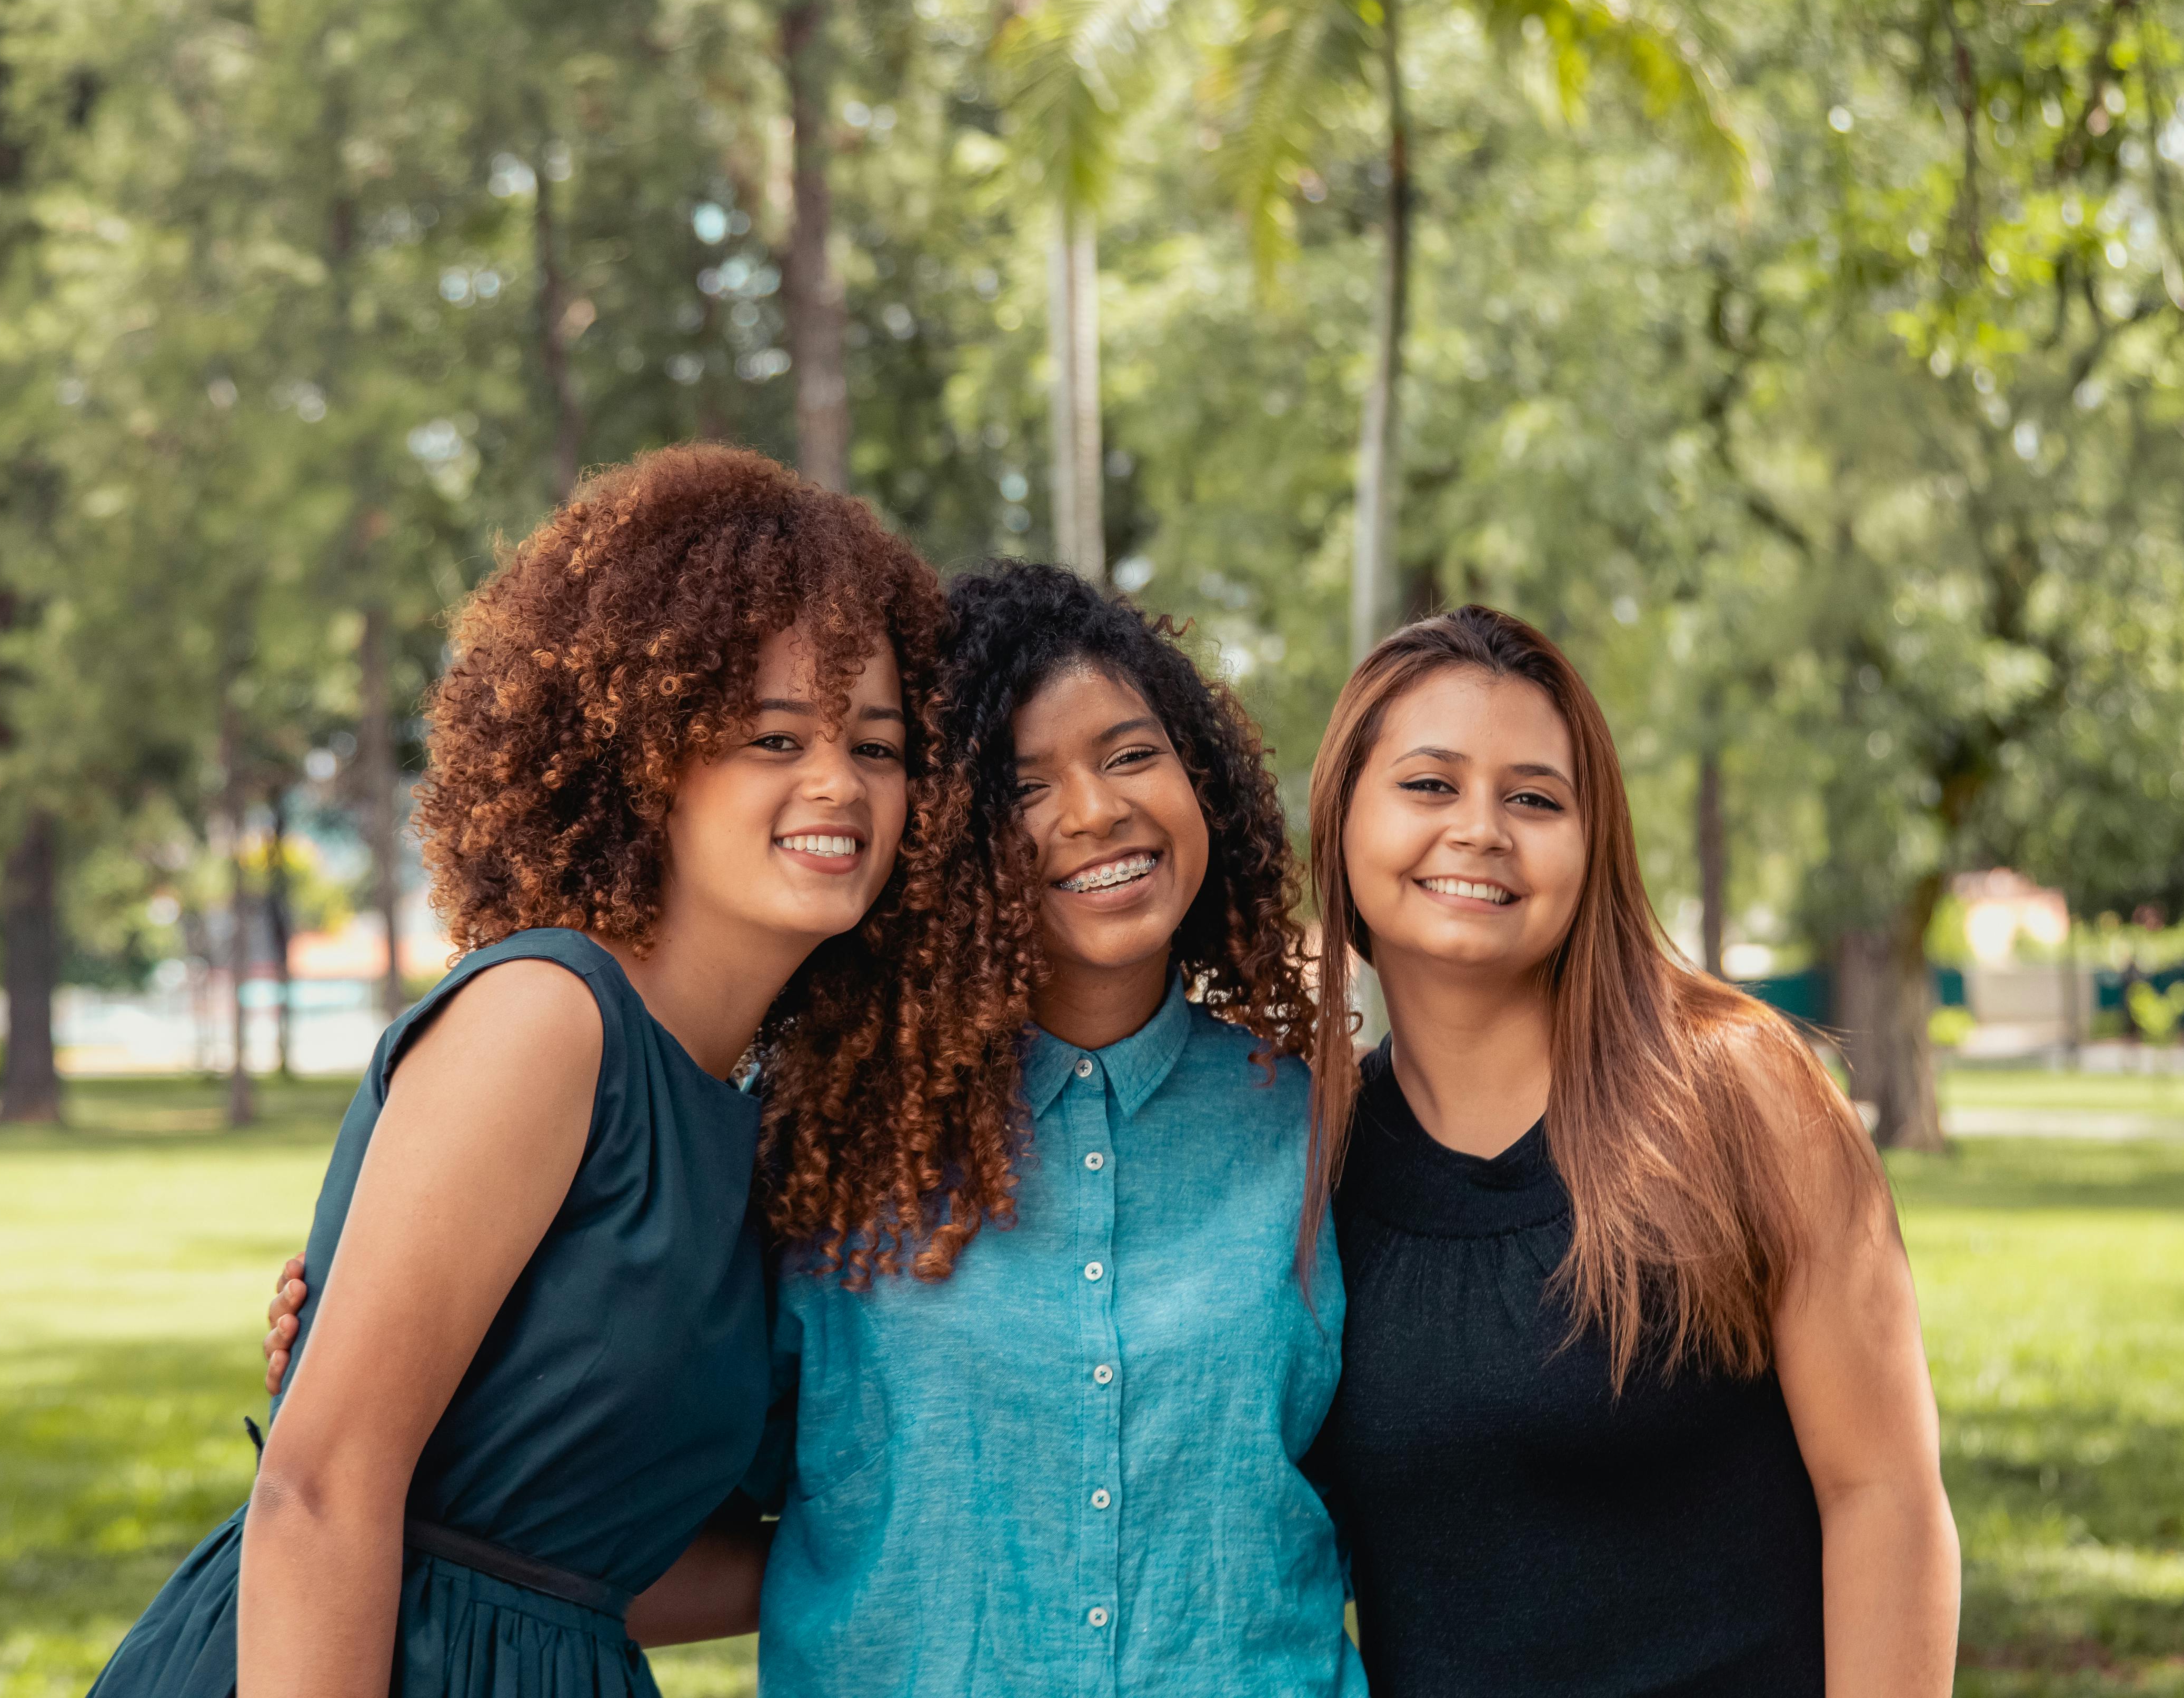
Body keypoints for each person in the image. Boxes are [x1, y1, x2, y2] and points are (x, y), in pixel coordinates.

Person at [268, 561, 1363, 1697]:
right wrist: (377, 1358)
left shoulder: (1325, 1132)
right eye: (1024, 785)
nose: (1097, 811)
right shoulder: (816, 1152)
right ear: (947, 840)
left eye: (1134, 755)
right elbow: (597, 1480)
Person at [87, 445, 952, 1698]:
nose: (838, 783)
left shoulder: (754, 1123)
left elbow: (585, 1564)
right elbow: (322, 1492)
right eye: (774, 735)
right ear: (648, 753)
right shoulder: (549, 1019)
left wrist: (948, 1533)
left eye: (879, 746)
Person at [1299, 605, 1961, 1697]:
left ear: (1592, 841)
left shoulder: (1736, 1092)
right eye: (1429, 785)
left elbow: (1884, 1494)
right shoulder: (1312, 1167)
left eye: (1535, 798)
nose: (1481, 829)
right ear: (1342, 820)